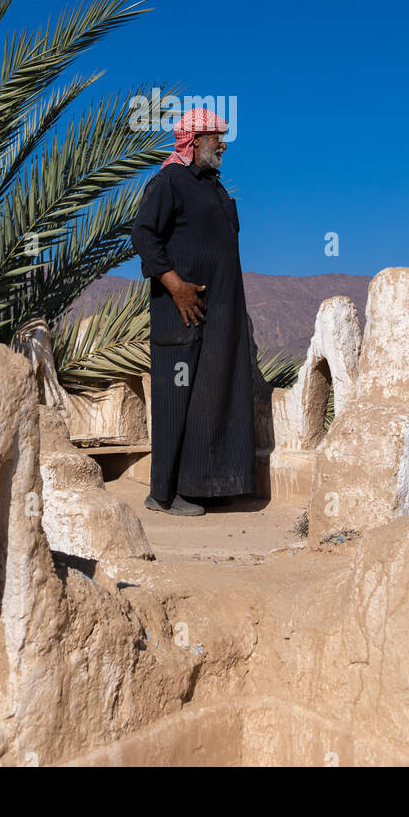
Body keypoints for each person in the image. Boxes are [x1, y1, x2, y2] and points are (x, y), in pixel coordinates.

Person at [130, 107, 255, 516]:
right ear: (194, 141)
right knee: (176, 398)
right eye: (216, 136)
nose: (223, 143)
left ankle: (202, 486)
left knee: (212, 396)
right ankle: (164, 494)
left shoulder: (212, 185)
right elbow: (143, 234)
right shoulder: (171, 180)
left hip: (218, 314)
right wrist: (176, 286)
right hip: (180, 312)